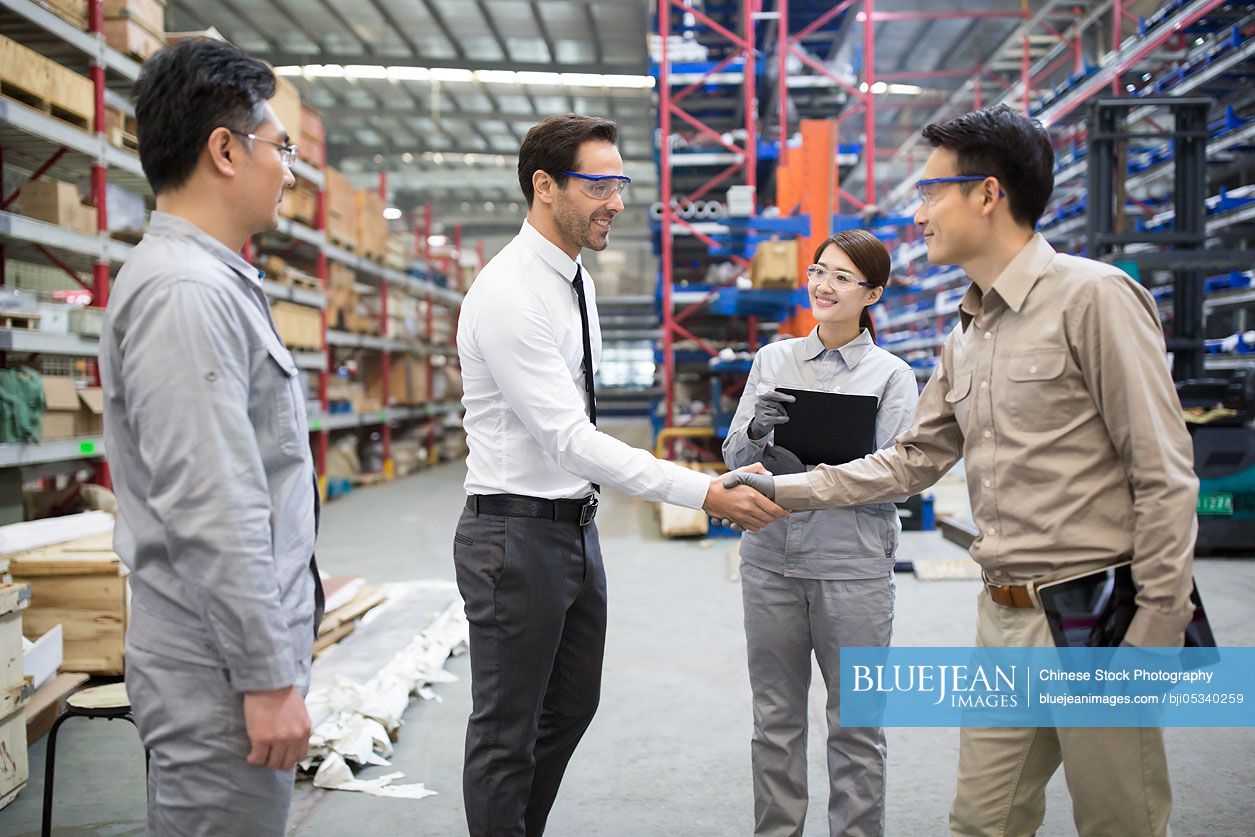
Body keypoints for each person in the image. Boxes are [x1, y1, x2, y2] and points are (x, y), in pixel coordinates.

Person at [725, 104, 1198, 837]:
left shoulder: (1093, 297)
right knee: (981, 821)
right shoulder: (968, 330)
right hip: (1003, 609)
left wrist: (1157, 624)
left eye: (929, 192)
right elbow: (910, 460)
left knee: (1118, 821)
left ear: (986, 194)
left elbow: (1163, 471)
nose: (916, 212)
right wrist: (779, 488)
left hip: (1097, 609)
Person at [455, 113, 786, 836]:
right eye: (599, 184)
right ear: (544, 187)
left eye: (620, 182)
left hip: (571, 528)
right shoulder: (510, 292)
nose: (616, 200)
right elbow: (569, 437)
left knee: (571, 704)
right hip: (512, 534)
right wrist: (700, 490)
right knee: (505, 733)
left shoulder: (575, 281)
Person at [100, 39, 322, 836]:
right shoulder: (186, 294)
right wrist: (265, 679)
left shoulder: (208, 280)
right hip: (217, 676)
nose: (289, 171)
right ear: (224, 150)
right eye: (280, 147)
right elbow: (213, 505)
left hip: (223, 662)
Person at [723, 229, 917, 837]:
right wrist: (757, 430)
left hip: (853, 568)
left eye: (843, 277)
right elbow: (733, 456)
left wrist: (814, 475)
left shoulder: (891, 376)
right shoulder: (773, 361)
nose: (824, 286)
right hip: (771, 564)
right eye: (819, 271)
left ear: (873, 294)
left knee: (857, 725)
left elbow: (902, 480)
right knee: (774, 720)